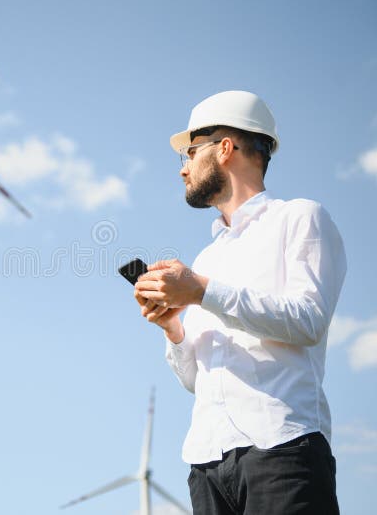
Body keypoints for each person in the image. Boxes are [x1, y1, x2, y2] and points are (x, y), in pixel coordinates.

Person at [133, 90, 346, 514]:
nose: (183, 169)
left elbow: (309, 321)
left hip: (282, 453)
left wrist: (200, 291)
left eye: (189, 153)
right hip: (207, 465)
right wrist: (173, 328)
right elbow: (196, 378)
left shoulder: (300, 218)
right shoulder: (207, 258)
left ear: (225, 148)